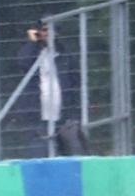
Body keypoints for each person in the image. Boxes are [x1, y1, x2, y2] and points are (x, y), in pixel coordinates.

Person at [14, 17, 85, 156]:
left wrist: (75, 111)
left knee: (69, 156)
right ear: (39, 32)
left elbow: (75, 82)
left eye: (52, 30)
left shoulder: (65, 55)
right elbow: (23, 62)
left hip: (64, 118)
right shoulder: (32, 53)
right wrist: (33, 43)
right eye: (45, 30)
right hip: (38, 118)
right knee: (41, 155)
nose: (48, 34)